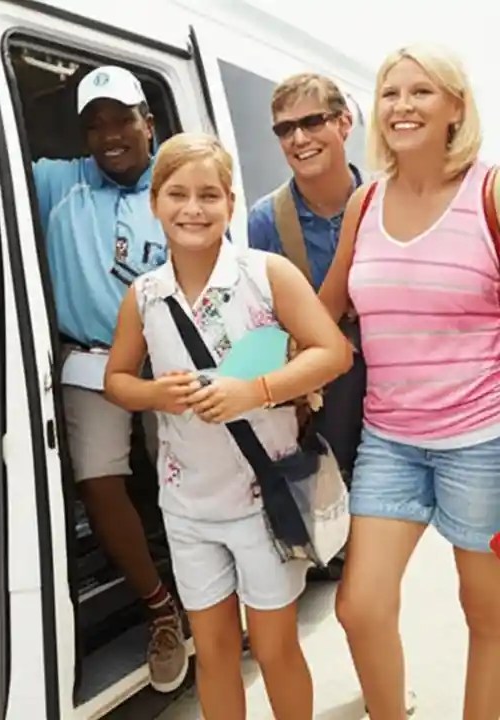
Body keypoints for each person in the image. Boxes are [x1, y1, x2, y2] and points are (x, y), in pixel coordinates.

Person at [104, 132, 351, 719]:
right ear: (154, 202)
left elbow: (334, 351)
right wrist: (155, 394)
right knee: (213, 653)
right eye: (178, 194)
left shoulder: (266, 274)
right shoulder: (145, 295)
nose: (193, 208)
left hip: (263, 502)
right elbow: (117, 379)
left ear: (230, 203)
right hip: (187, 507)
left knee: (273, 647)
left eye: (209, 195)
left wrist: (255, 391)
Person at [318, 45, 500, 720]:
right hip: (391, 442)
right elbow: (327, 310)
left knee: (488, 616)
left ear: (456, 106)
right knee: (359, 607)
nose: (402, 106)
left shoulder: (490, 193)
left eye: (421, 92)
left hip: (484, 441)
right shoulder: (366, 202)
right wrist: (249, 371)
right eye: (390, 93)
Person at [32, 64, 185, 691]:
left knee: (187, 480)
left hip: (171, 355)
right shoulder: (57, 183)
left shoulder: (178, 185)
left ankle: (212, 593)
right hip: (92, 361)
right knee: (97, 483)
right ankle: (161, 610)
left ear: (149, 123)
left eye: (122, 119)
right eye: (95, 125)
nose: (109, 135)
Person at [246, 72, 367, 581]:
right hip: (325, 384)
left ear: (344, 123)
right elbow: (260, 326)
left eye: (312, 121)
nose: (298, 139)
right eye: (285, 129)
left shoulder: (388, 202)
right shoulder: (266, 220)